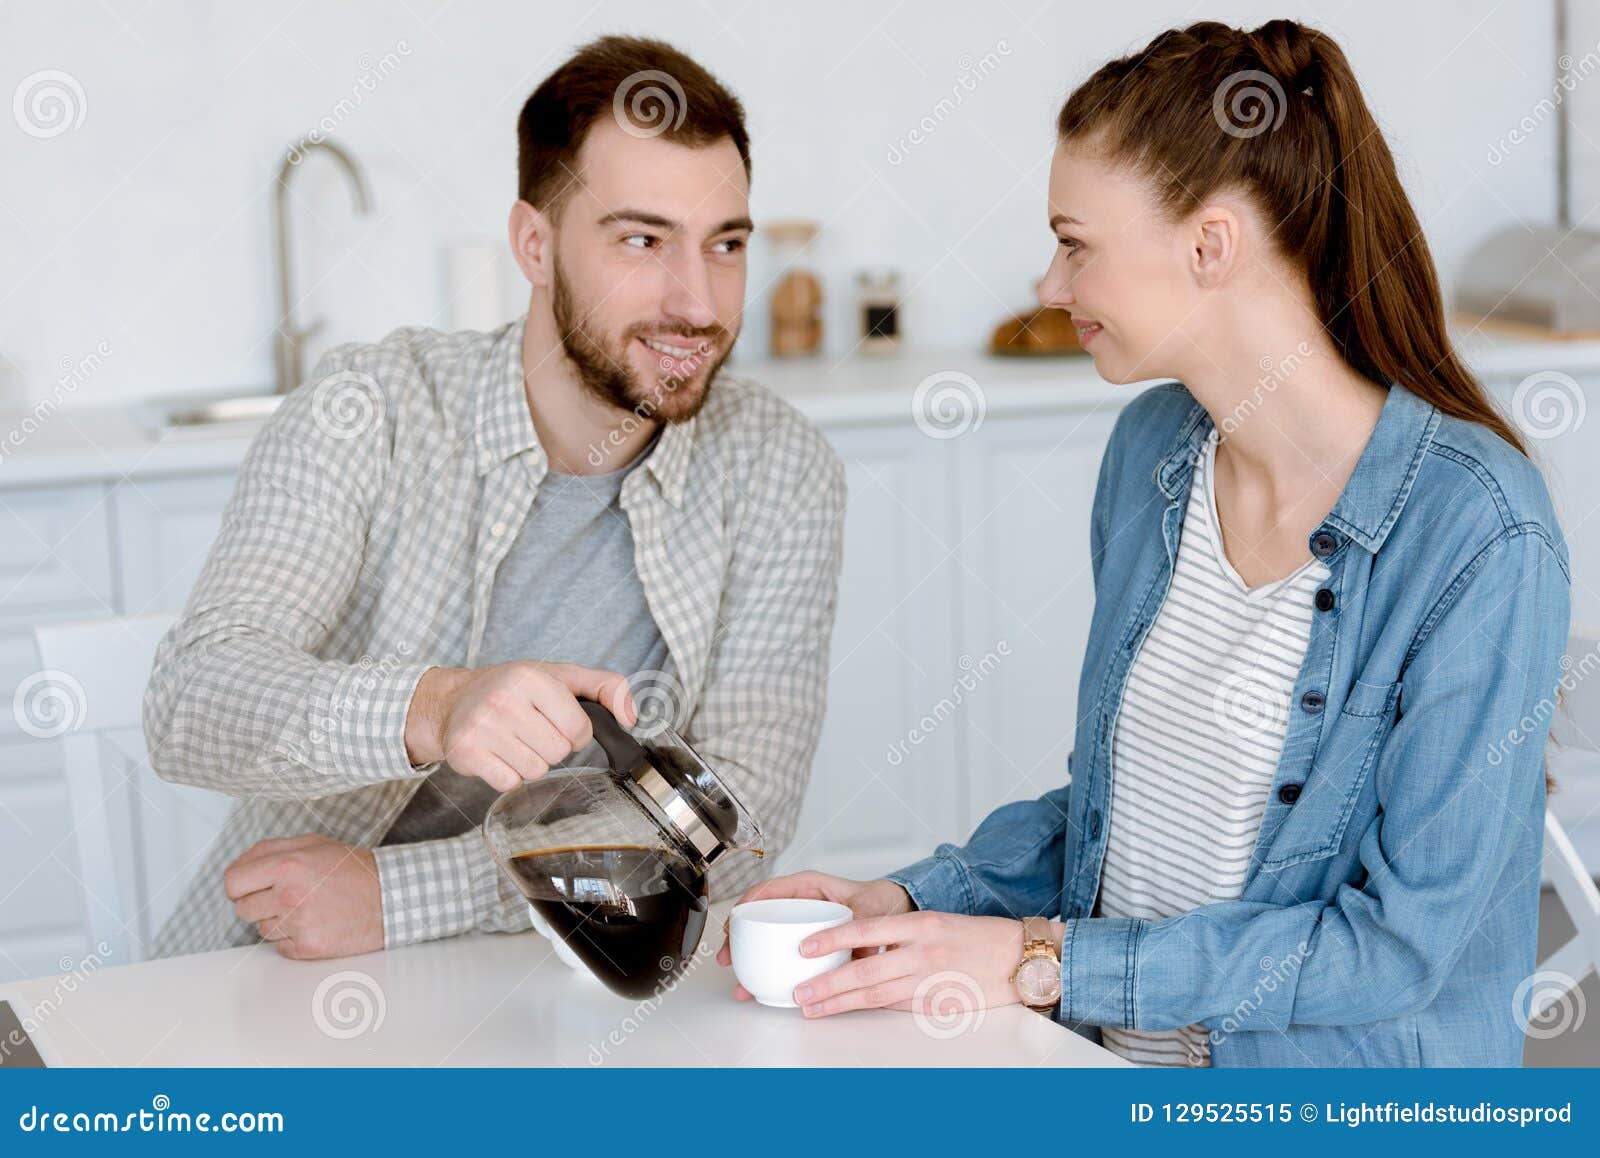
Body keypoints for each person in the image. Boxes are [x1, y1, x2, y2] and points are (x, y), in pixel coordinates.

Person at [718, 19, 1570, 1068]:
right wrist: (911, 900)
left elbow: (1396, 948)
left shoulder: (1477, 529)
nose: (1049, 286)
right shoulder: (1151, 456)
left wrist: (1040, 962)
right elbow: (1112, 811)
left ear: (1209, 246)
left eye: (1074, 244)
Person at [144, 35, 845, 961]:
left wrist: (398, 896)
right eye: (642, 241)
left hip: (562, 977)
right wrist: (436, 707)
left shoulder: (781, 468)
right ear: (535, 245)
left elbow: (737, 812)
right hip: (280, 962)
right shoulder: (373, 410)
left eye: (725, 245)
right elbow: (192, 701)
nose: (699, 304)